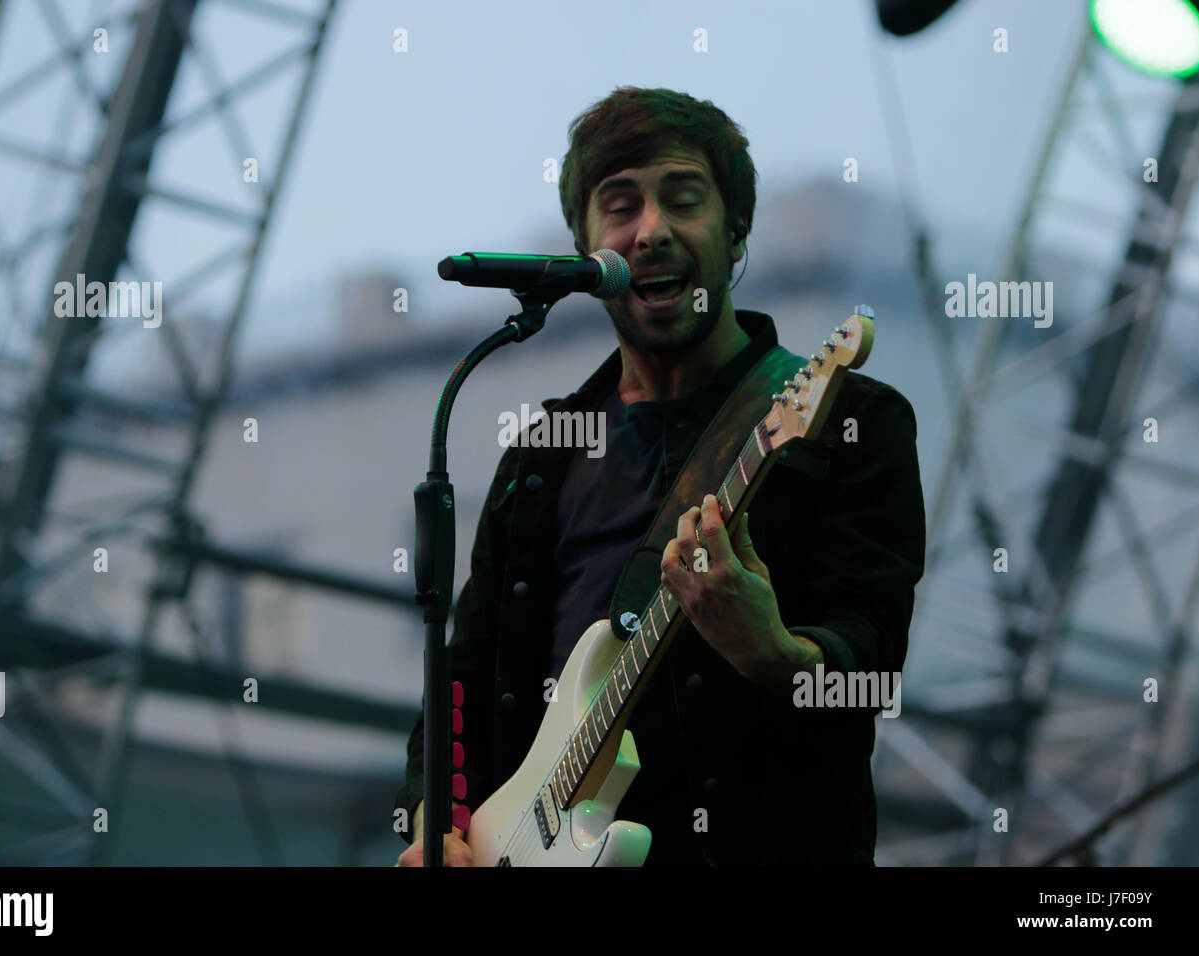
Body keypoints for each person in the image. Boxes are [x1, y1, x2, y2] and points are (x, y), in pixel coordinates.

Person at [395, 86, 925, 867]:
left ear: (736, 230)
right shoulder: (541, 459)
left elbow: (869, 667)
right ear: (586, 247)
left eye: (684, 199)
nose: (651, 232)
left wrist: (776, 653)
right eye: (620, 206)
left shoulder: (847, 420)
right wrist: (433, 822)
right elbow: (463, 687)